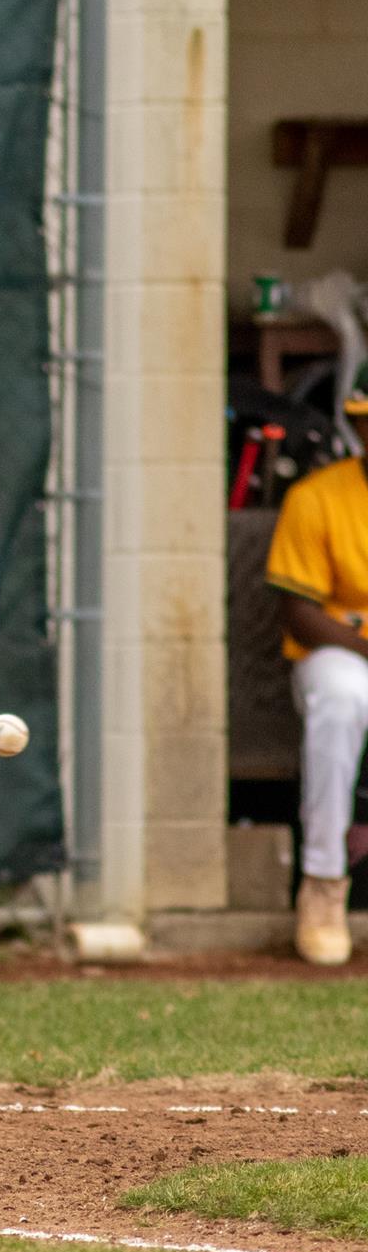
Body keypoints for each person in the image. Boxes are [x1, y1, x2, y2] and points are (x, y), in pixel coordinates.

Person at [266, 391, 368, 965]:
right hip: (343, 651)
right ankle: (324, 886)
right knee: (340, 695)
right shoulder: (318, 497)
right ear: (358, 426)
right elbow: (299, 615)